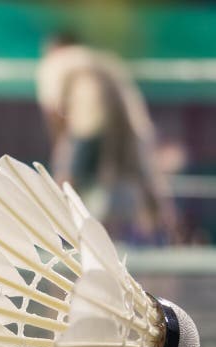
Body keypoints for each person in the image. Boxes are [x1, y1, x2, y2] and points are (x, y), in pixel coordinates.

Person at [37, 31, 176, 245]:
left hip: (89, 122)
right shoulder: (104, 60)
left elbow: (53, 111)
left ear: (55, 47)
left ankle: (57, 239)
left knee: (67, 181)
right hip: (128, 125)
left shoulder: (57, 61)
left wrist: (60, 145)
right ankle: (168, 235)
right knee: (143, 182)